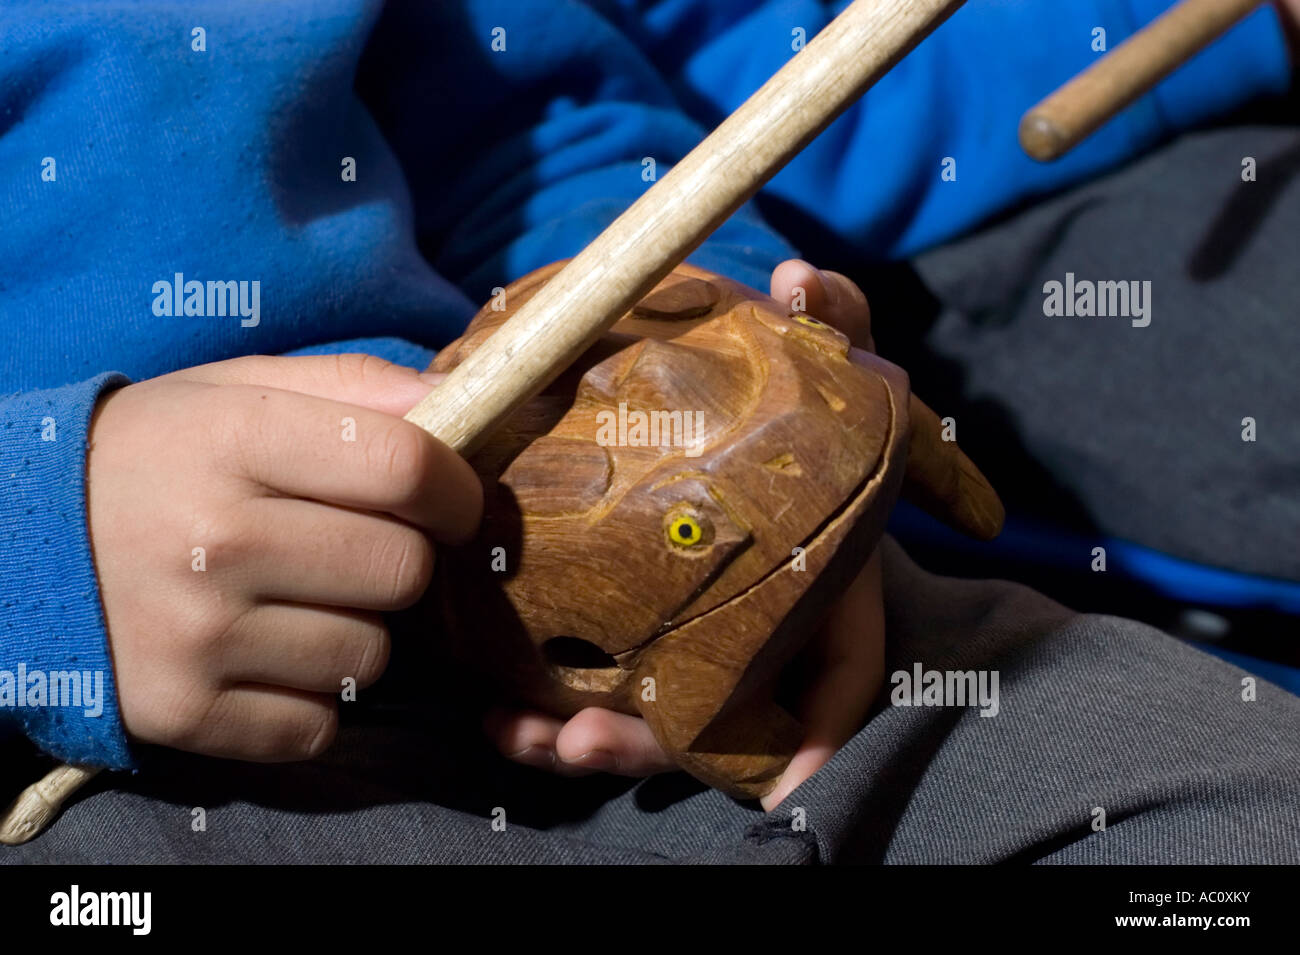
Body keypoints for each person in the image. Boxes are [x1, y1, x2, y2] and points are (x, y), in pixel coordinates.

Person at [2, 0, 1297, 863]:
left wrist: (705, 313)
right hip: (116, 739)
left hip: (621, 596)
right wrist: (34, 551)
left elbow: (538, 125)